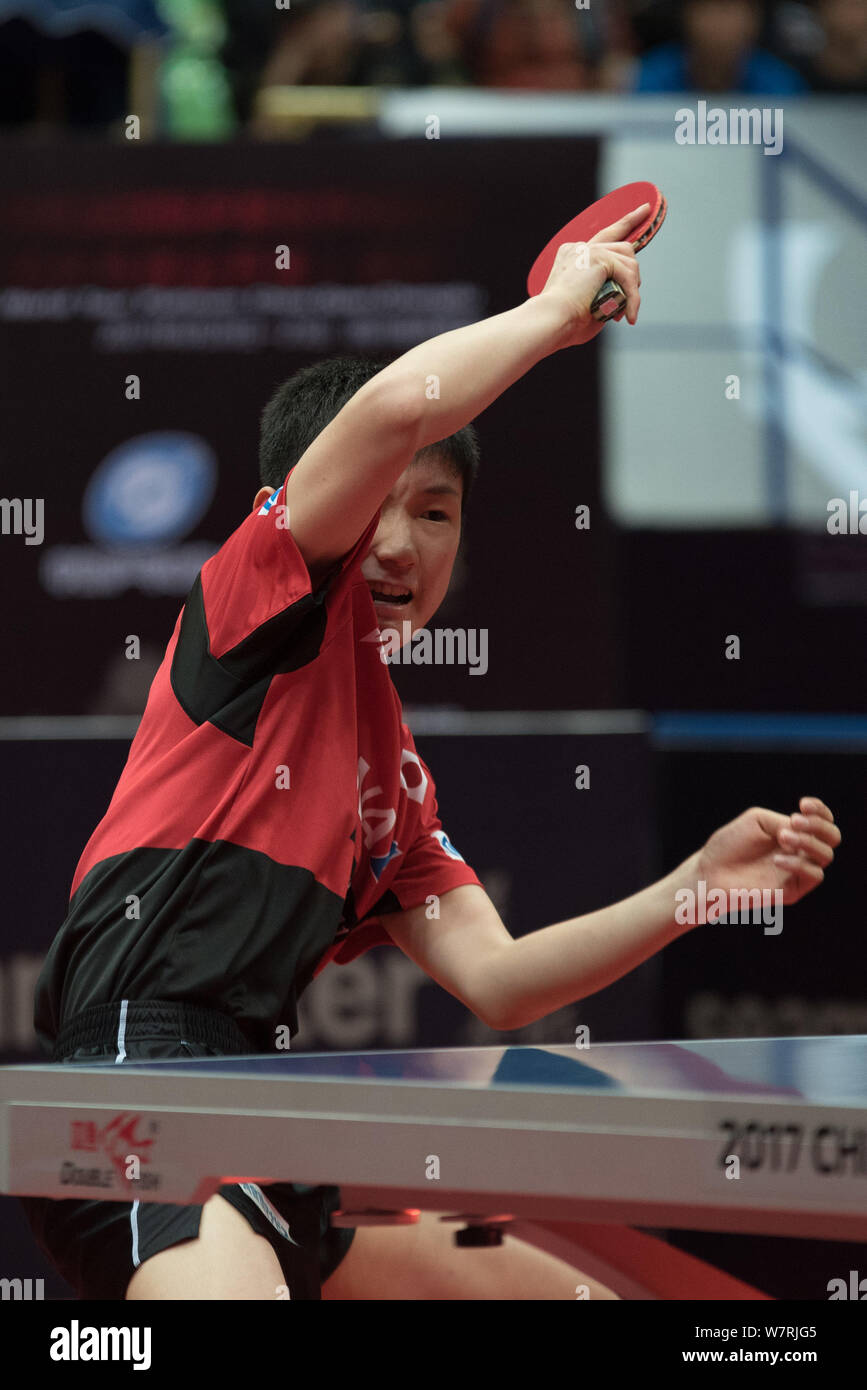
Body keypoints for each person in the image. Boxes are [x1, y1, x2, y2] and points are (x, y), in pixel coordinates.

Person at [20, 202, 840, 1299]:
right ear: (305, 500)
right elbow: (400, 405)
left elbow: (498, 980)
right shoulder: (259, 602)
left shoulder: (392, 775)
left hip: (267, 1104)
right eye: (384, 510)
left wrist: (693, 890)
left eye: (440, 513)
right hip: (136, 1075)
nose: (404, 544)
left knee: (568, 1298)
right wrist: (551, 315)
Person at [635, 0, 808, 93]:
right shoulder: (652, 76)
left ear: (755, 19)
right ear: (685, 16)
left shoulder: (782, 84)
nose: (717, 25)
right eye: (705, 7)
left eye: (727, 8)